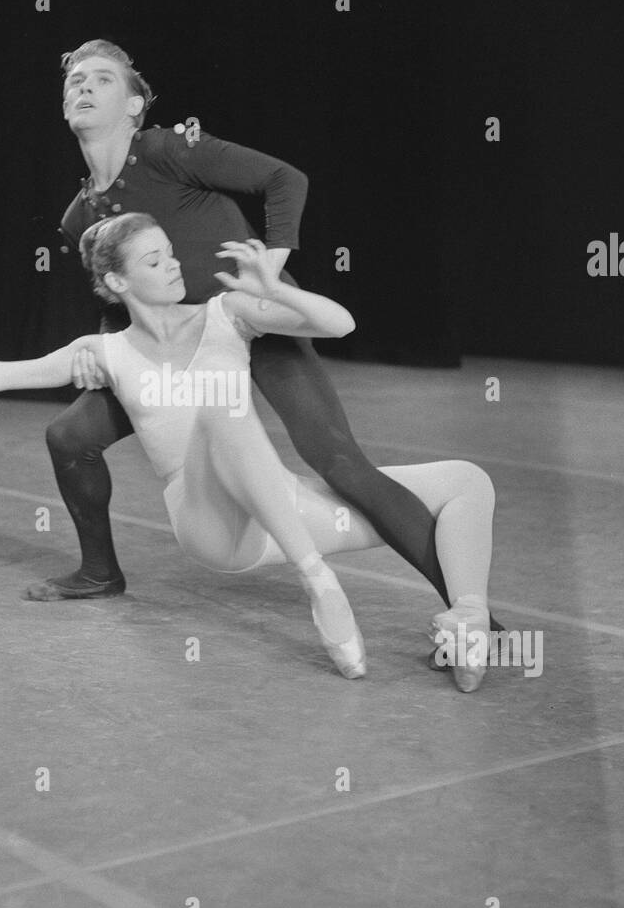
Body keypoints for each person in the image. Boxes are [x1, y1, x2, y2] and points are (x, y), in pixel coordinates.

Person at [0, 214, 498, 690]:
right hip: (215, 526)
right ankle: (320, 583)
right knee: (220, 408)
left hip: (282, 506)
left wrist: (276, 288)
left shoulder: (230, 312)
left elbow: (340, 322)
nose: (175, 264)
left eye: (171, 252)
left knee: (466, 481)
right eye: (154, 260)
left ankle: (465, 617)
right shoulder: (106, 354)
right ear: (117, 283)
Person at [26, 39, 503, 641]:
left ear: (134, 105)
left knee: (337, 461)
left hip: (251, 323)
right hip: (184, 349)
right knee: (69, 434)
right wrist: (102, 348)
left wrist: (270, 278)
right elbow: (116, 294)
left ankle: (474, 613)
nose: (83, 88)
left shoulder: (170, 149)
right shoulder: (80, 217)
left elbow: (285, 179)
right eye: (74, 82)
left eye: (101, 80)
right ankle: (99, 572)